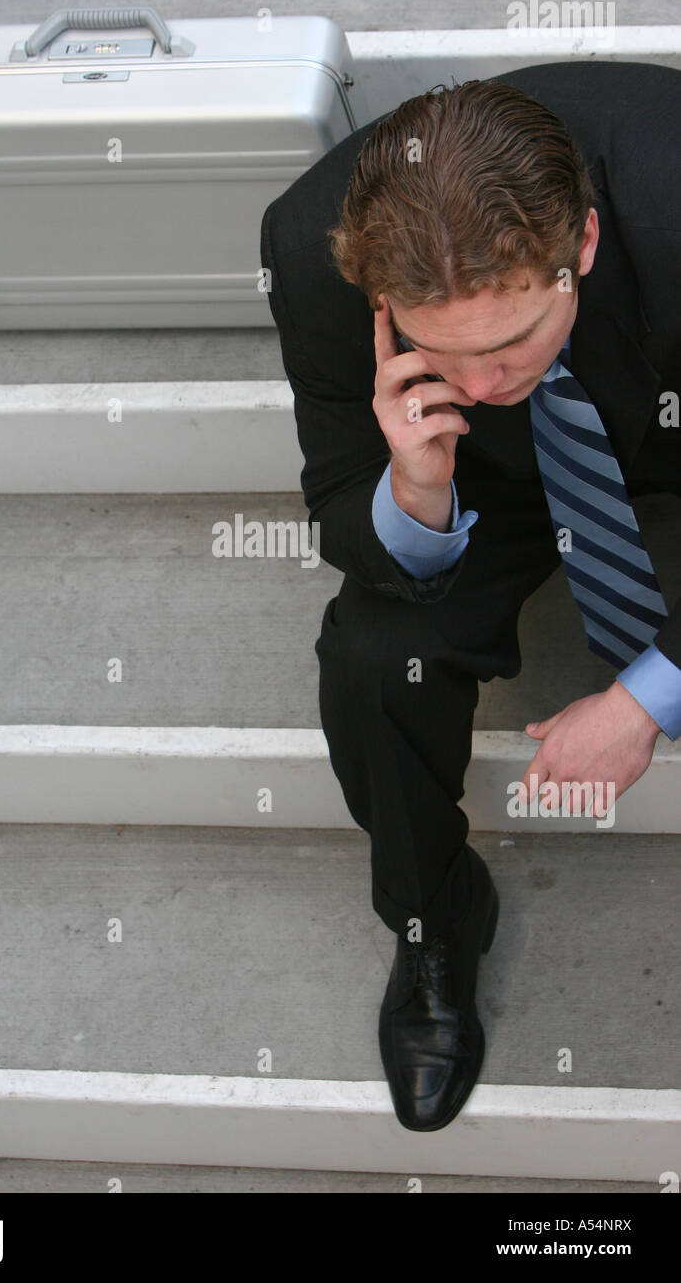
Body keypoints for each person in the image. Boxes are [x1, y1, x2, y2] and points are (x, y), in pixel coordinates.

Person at [259, 61, 681, 1131]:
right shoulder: (314, 251)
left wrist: (647, 697)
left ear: (578, 246)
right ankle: (432, 922)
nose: (484, 381)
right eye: (449, 353)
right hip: (488, 480)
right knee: (367, 659)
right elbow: (337, 501)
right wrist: (415, 483)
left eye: (507, 344)